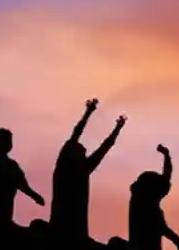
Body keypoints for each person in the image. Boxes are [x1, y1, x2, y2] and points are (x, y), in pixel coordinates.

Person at [51, 98, 126, 238]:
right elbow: (77, 132)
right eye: (81, 151)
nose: (84, 152)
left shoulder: (83, 168)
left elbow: (105, 147)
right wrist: (88, 112)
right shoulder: (66, 161)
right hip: (62, 216)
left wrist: (117, 129)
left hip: (76, 220)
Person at [128, 144, 179, 250]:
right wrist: (177, 241)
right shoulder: (144, 206)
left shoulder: (149, 204)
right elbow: (160, 227)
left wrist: (167, 155)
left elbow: (166, 176)